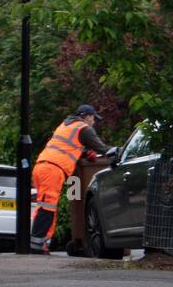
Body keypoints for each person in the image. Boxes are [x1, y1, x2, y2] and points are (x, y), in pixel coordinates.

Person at [29, 104, 114, 254]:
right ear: (87, 116)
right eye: (93, 118)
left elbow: (66, 147)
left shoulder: (65, 125)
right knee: (47, 207)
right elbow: (103, 148)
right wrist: (119, 152)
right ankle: (35, 245)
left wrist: (84, 153)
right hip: (53, 170)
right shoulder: (84, 128)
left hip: (42, 167)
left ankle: (41, 243)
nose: (94, 122)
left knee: (45, 206)